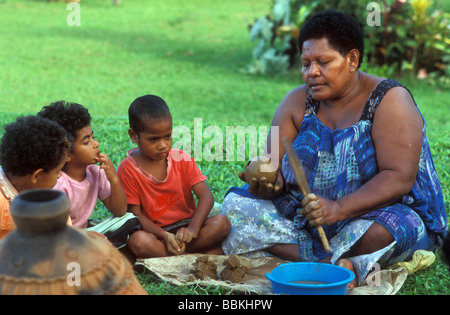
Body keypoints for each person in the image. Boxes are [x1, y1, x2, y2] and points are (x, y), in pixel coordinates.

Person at [222, 10, 447, 288]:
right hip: (305, 221)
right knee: (234, 206)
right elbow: (273, 168)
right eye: (306, 64)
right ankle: (336, 263)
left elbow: (399, 178)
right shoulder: (296, 103)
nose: (312, 72)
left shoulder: (389, 101)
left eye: (323, 62)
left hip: (374, 216)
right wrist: (267, 183)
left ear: (352, 59)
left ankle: (315, 258)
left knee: (397, 228)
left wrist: (338, 208)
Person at [117, 94, 230, 258]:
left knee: (222, 224)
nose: (163, 145)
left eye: (167, 136)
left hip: (187, 228)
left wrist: (193, 228)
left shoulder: (181, 158)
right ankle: (195, 254)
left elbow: (206, 197)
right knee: (138, 242)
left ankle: (177, 254)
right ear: (134, 136)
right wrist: (164, 235)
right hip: (156, 233)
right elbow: (136, 216)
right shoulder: (127, 169)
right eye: (154, 139)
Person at [38, 101, 140, 248]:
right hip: (63, 238)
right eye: (86, 142)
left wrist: (114, 179)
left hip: (86, 231)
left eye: (93, 137)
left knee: (129, 219)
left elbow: (119, 210)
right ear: (65, 154)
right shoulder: (58, 183)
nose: (95, 144)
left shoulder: (95, 172)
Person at [0, 115, 70, 239]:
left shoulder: (28, 191)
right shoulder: (2, 203)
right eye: (58, 171)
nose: (60, 175)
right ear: (37, 176)